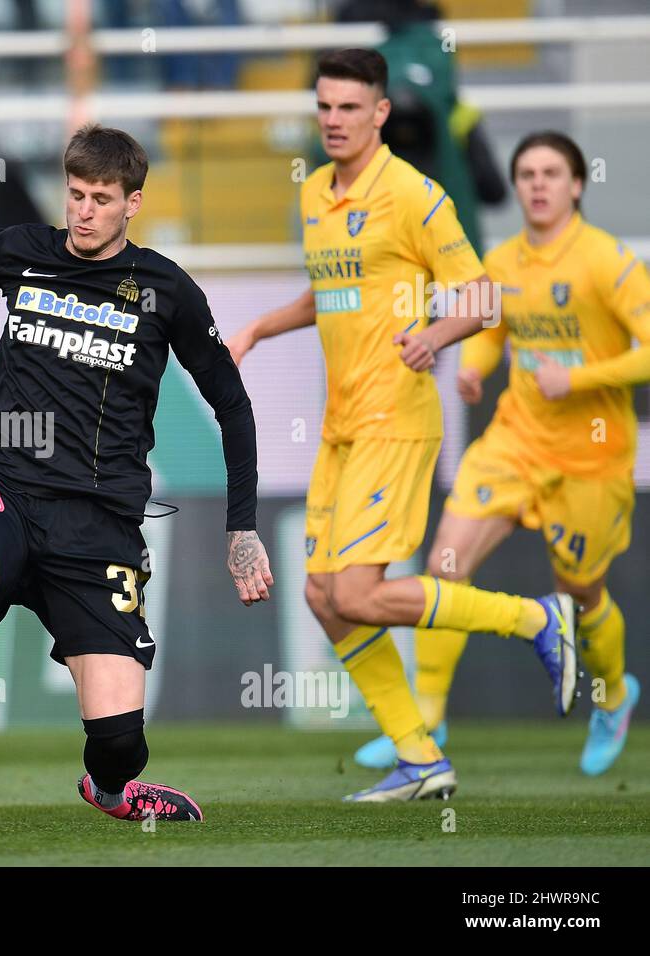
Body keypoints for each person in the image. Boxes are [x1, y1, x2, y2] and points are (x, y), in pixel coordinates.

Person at [0, 123, 272, 829]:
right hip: (7, 484)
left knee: (121, 745)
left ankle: (111, 791)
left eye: (101, 198)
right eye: (75, 194)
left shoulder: (164, 290)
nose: (84, 211)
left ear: (134, 203)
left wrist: (241, 528)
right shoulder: (19, 250)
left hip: (101, 523)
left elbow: (233, 406)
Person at [227, 49, 576, 803]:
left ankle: (536, 619)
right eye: (323, 107)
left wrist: (435, 337)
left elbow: (480, 298)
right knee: (324, 597)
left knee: (353, 592)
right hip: (342, 425)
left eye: (349, 108)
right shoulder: (316, 191)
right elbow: (331, 290)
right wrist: (257, 329)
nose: (332, 120)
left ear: (380, 113)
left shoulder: (416, 196)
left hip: (399, 417)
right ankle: (421, 758)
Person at [355, 131, 649, 776]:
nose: (537, 184)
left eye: (551, 173)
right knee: (445, 563)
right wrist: (475, 367)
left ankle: (612, 695)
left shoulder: (607, 261)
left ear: (577, 185)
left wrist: (576, 379)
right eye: (526, 174)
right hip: (514, 443)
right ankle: (426, 717)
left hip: (590, 460)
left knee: (582, 593)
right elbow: (492, 330)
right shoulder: (505, 261)